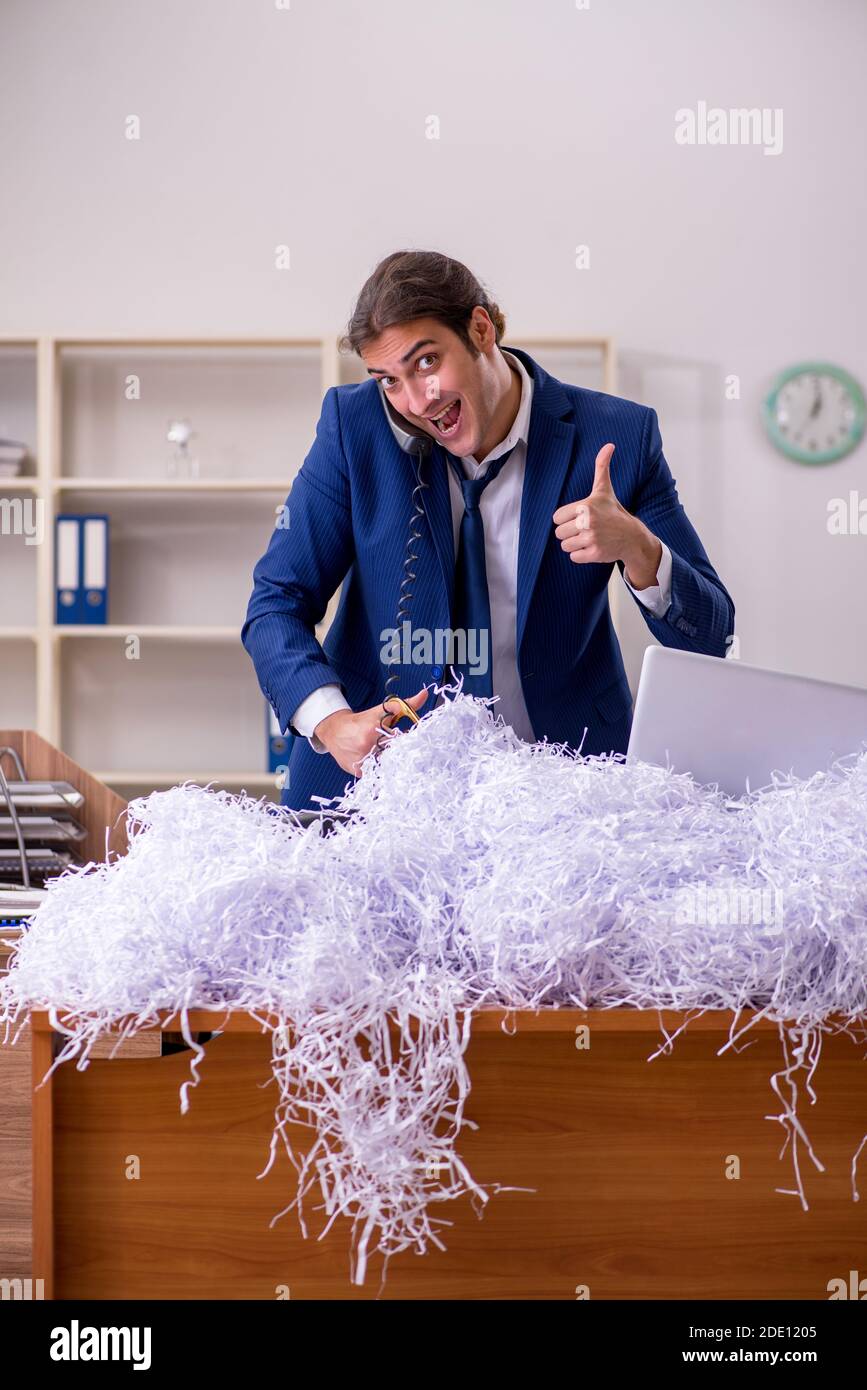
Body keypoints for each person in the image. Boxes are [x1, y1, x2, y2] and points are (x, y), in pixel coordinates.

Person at [242, 249, 734, 813]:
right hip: (376, 788)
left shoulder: (618, 434)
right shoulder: (356, 428)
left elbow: (711, 637)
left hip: (560, 785)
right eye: (388, 381)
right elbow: (276, 602)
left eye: (426, 362)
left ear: (480, 328)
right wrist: (330, 722)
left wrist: (639, 548)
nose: (416, 402)